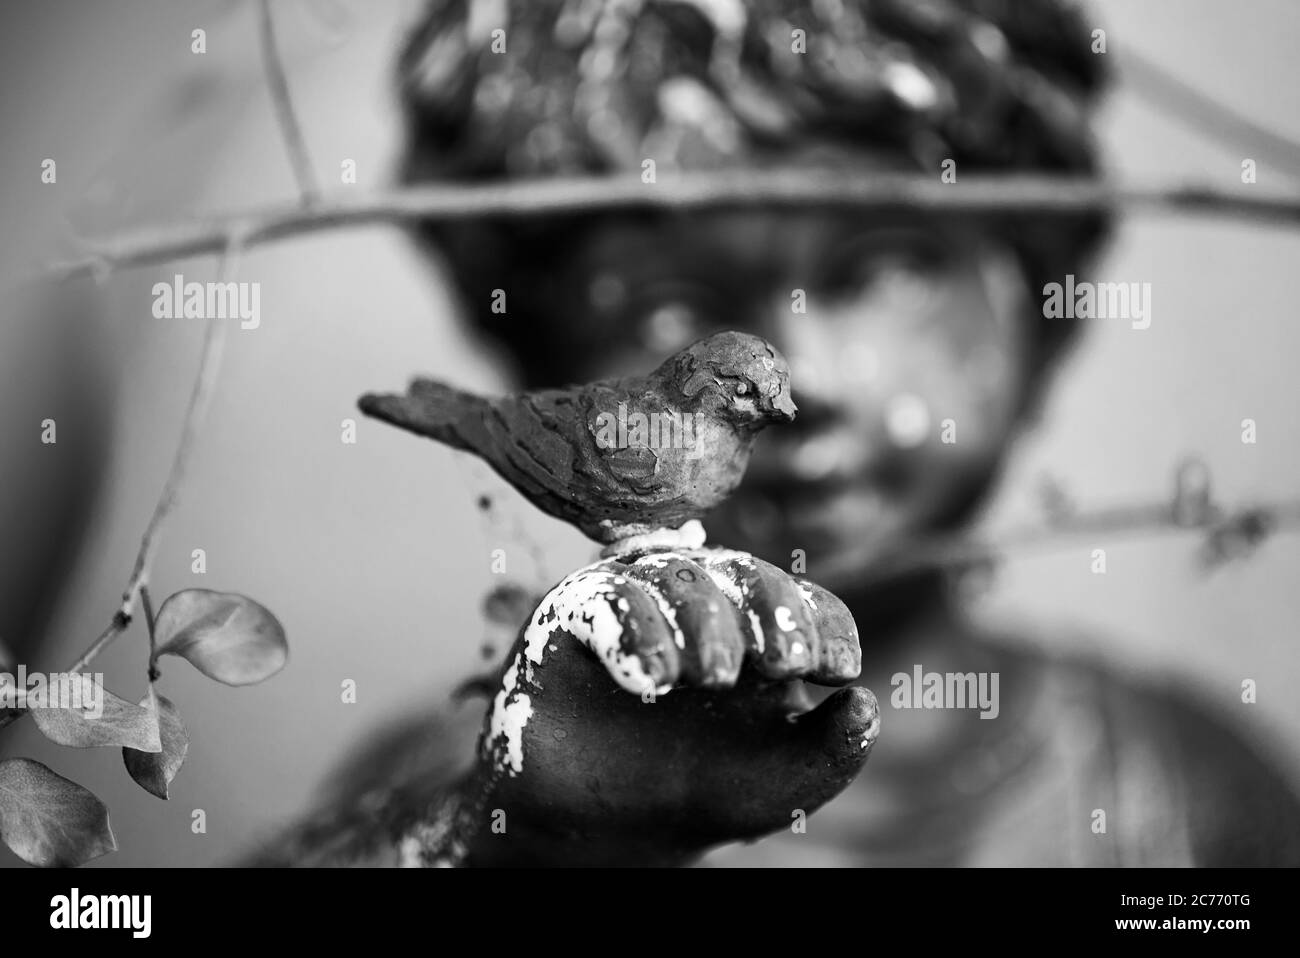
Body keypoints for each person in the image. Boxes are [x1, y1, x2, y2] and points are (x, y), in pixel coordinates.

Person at [254, 0, 1300, 866]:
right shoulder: (477, 777)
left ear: (1040, 312)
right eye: (671, 300)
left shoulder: (1179, 794)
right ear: (543, 349)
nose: (813, 378)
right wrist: (511, 840)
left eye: (880, 269)